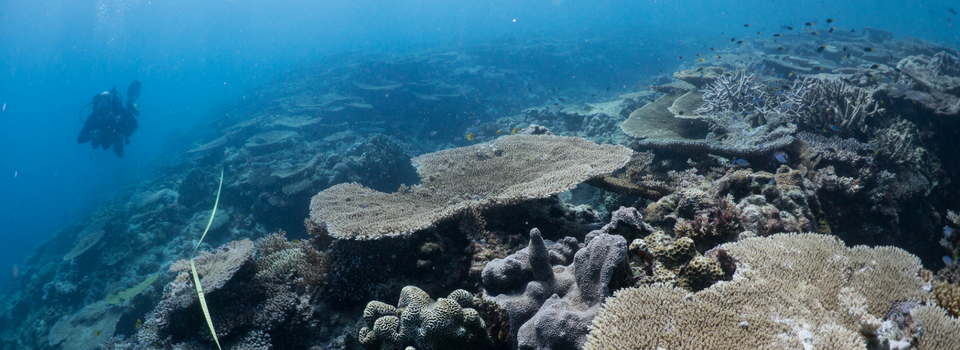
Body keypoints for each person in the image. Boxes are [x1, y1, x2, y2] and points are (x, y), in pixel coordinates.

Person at [77, 81, 141, 158]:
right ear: (96, 110)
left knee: (129, 111)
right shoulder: (93, 117)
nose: (104, 115)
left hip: (119, 134)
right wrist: (92, 135)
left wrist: (124, 134)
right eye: (101, 113)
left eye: (106, 111)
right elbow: (80, 139)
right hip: (106, 140)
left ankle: (130, 101)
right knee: (106, 146)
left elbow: (134, 124)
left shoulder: (117, 109)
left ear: (110, 107)